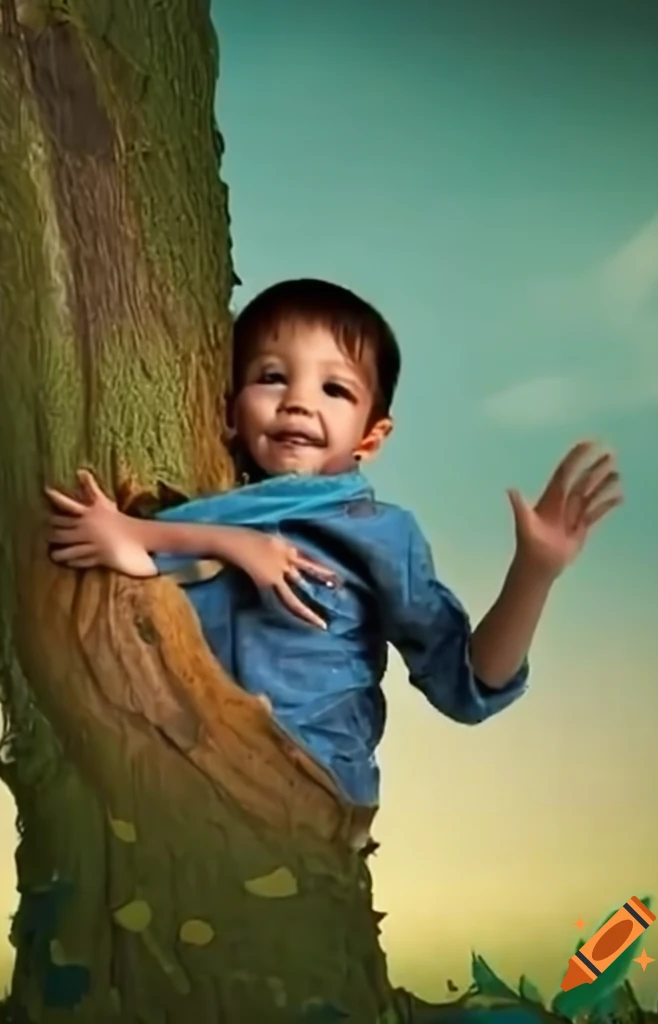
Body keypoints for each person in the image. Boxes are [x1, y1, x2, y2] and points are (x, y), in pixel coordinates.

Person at [44, 278, 622, 833]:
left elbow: (466, 686)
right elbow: (133, 563)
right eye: (272, 377)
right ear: (229, 411)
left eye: (335, 389)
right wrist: (230, 543)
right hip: (185, 776)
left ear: (371, 437)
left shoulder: (379, 533)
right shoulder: (215, 514)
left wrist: (535, 571)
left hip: (313, 783)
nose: (297, 402)